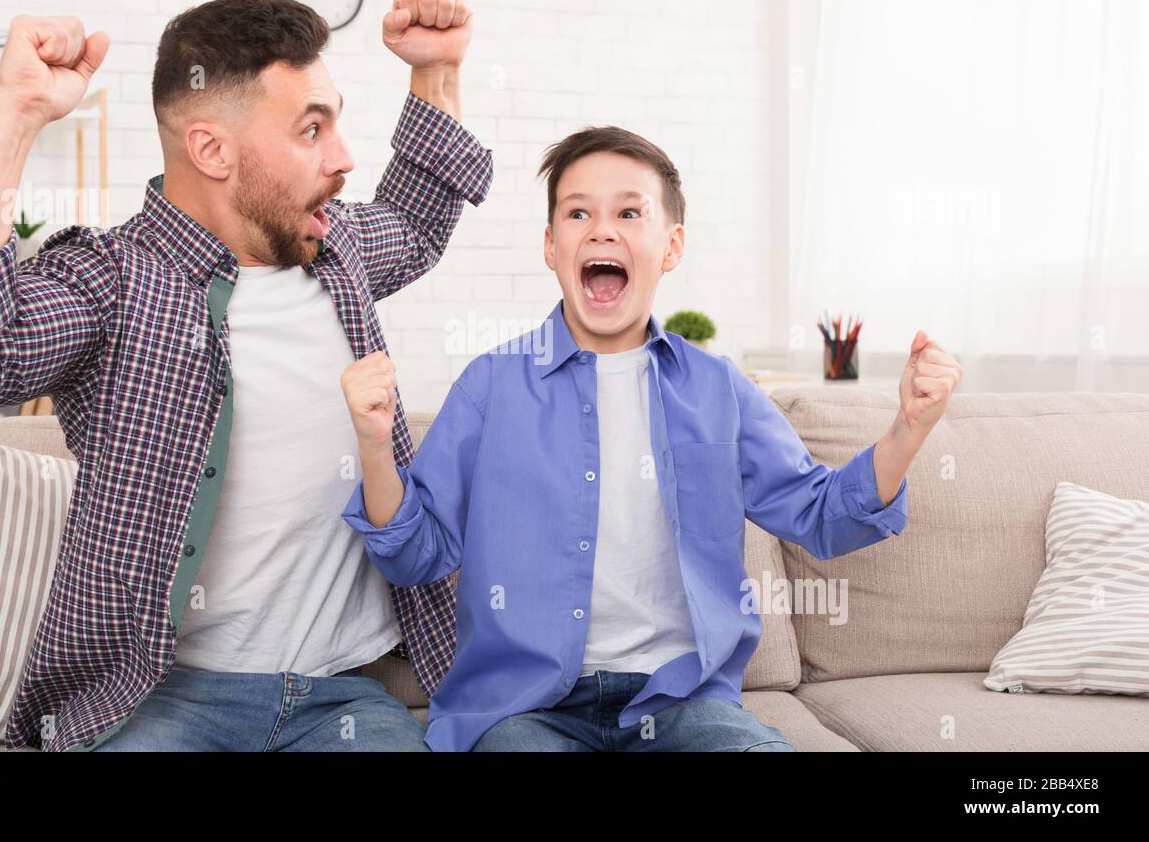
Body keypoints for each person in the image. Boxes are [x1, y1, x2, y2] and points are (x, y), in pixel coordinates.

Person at [0, 0, 492, 752]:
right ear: (211, 149)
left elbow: (417, 221)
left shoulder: (339, 253)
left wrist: (434, 72)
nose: (343, 157)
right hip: (166, 704)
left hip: (343, 703)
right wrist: (16, 115)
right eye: (311, 129)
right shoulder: (112, 281)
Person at [339, 126, 963, 752]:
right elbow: (414, 553)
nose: (602, 230)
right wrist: (372, 441)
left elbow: (823, 516)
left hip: (677, 698)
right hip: (523, 708)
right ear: (552, 246)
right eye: (578, 212)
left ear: (671, 245)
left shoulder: (718, 389)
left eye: (629, 212)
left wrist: (909, 426)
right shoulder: (489, 387)